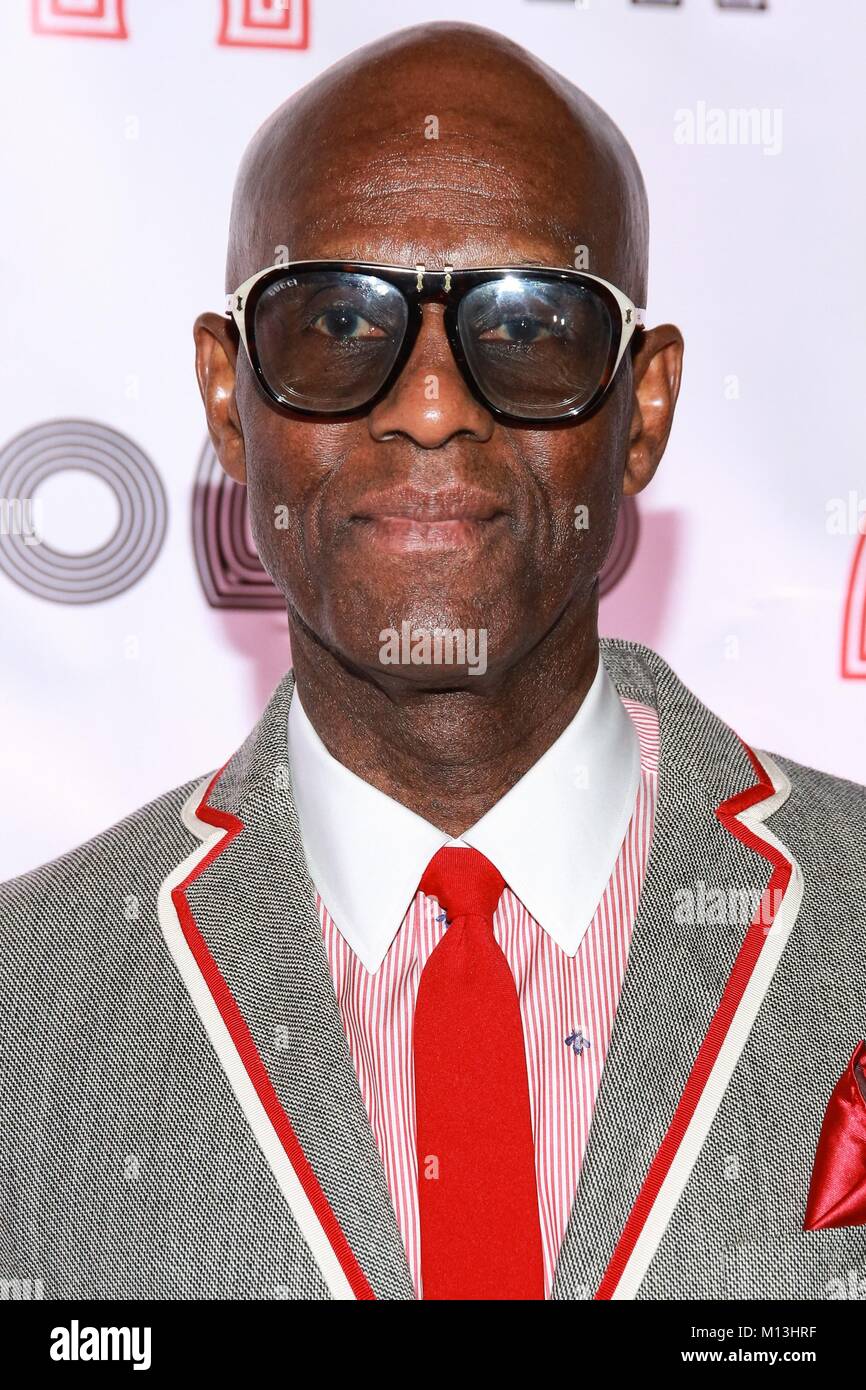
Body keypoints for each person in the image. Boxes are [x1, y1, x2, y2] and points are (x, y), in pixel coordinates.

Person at [1, 22, 864, 1302]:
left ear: (646, 409)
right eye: (336, 317)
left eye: (527, 322)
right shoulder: (29, 1008)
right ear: (227, 398)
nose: (426, 402)